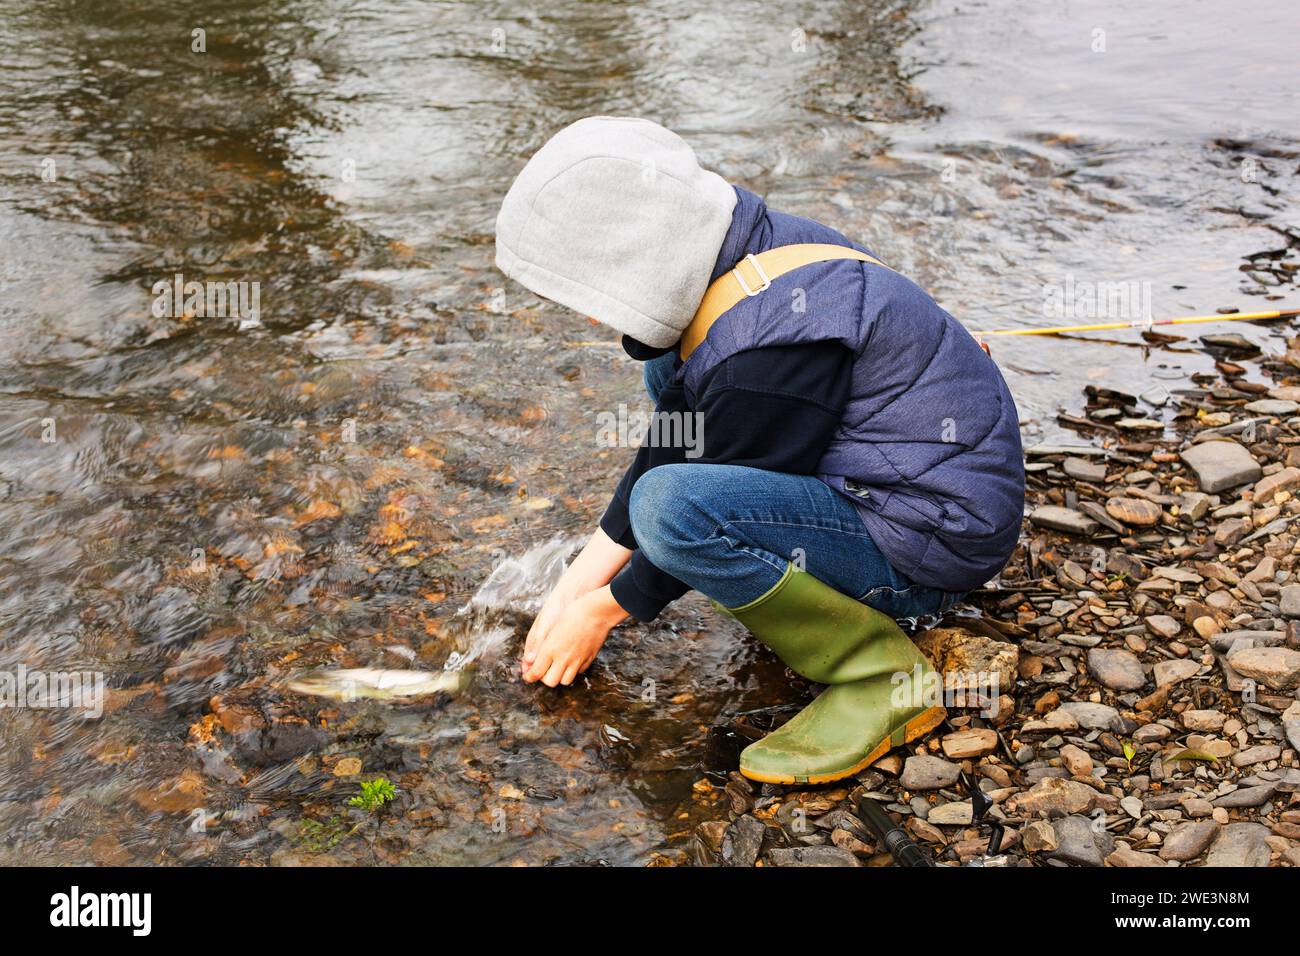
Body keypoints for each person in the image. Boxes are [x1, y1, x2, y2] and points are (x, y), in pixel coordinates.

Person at [493, 116, 1024, 784]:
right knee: (670, 373)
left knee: (673, 510)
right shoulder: (752, 252)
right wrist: (580, 575)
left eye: (593, 289)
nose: (595, 316)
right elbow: (686, 436)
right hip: (897, 473)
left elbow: (688, 507)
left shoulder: (771, 355)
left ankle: (882, 677)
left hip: (931, 541)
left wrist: (600, 614)